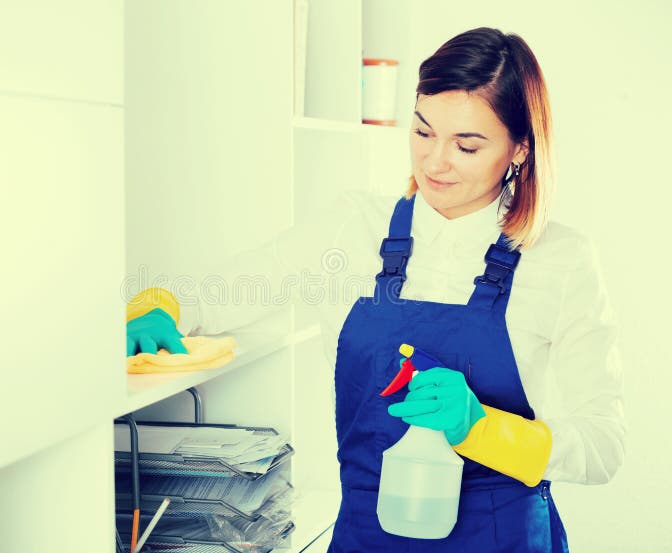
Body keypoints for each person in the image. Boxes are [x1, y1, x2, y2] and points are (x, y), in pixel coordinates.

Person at [127, 27, 625, 552]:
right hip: (369, 538)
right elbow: (224, 290)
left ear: (520, 148)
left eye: (467, 145)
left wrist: (479, 427)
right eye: (423, 132)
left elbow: (603, 445)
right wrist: (159, 306)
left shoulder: (560, 260)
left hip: (501, 539)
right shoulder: (353, 228)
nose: (435, 162)